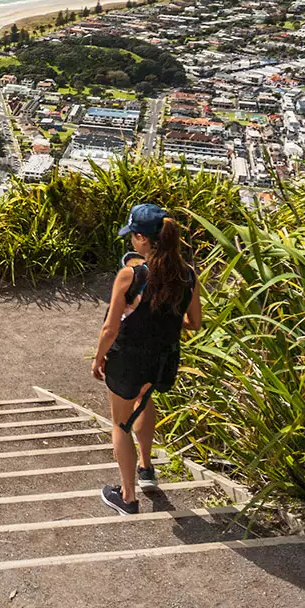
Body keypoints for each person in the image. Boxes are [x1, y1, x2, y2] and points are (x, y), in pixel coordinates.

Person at [91, 202, 201, 515]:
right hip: (162, 360)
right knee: (145, 400)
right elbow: (193, 323)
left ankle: (127, 497)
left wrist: (98, 359)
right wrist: (163, 318)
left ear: (141, 239)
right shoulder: (188, 276)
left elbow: (110, 328)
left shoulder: (131, 275)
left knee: (120, 423)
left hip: (128, 360)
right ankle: (146, 468)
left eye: (133, 236)